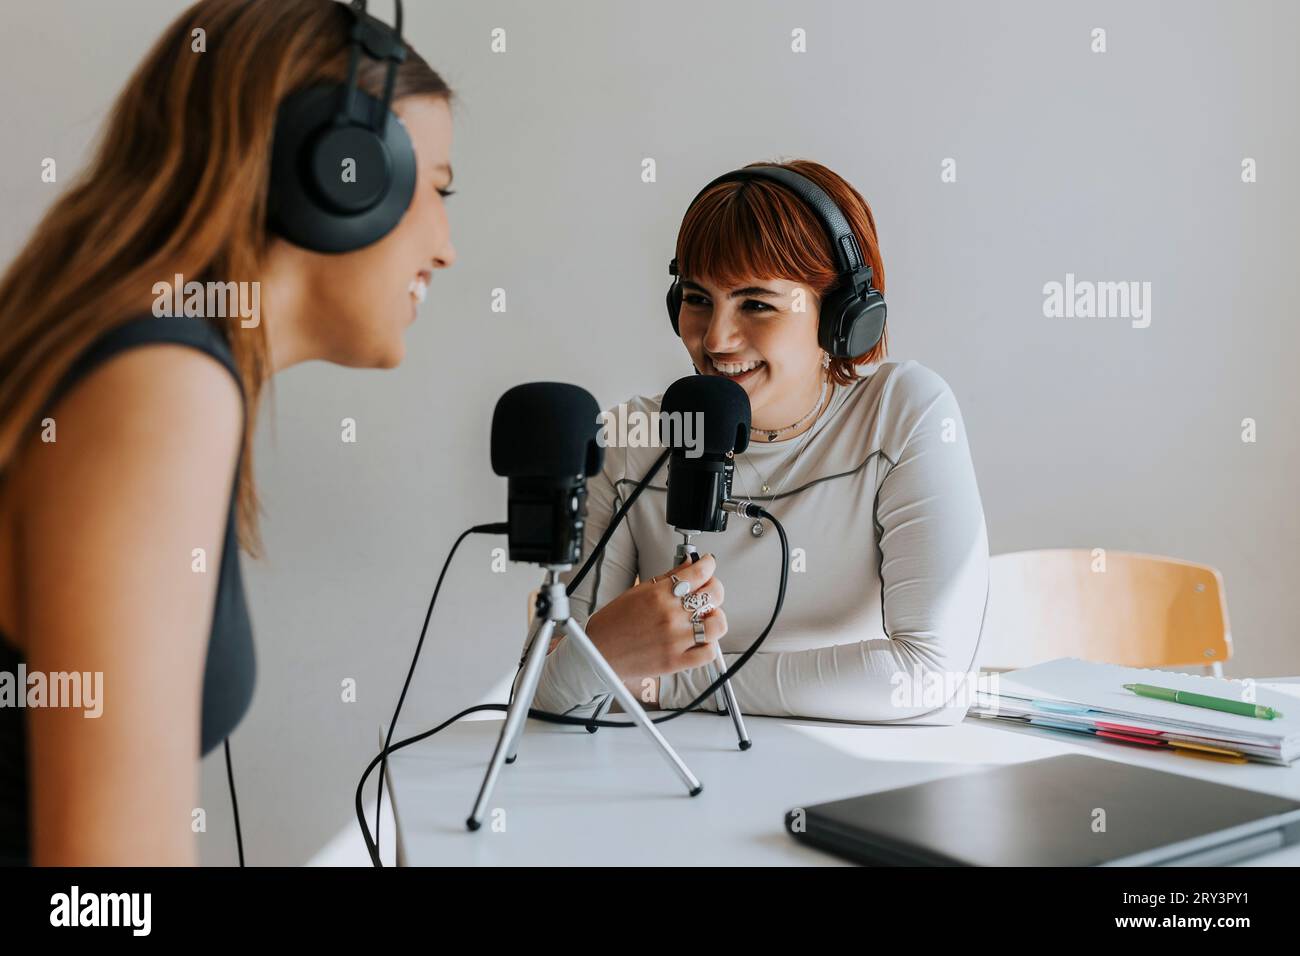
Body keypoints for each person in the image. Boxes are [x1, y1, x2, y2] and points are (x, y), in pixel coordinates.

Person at [532, 159, 990, 727]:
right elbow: (547, 689)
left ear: (841, 319)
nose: (717, 339)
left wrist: (659, 680)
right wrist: (598, 657)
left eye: (756, 304)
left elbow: (929, 678)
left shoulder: (902, 415)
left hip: (854, 787)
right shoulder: (636, 440)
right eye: (698, 299)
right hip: (670, 786)